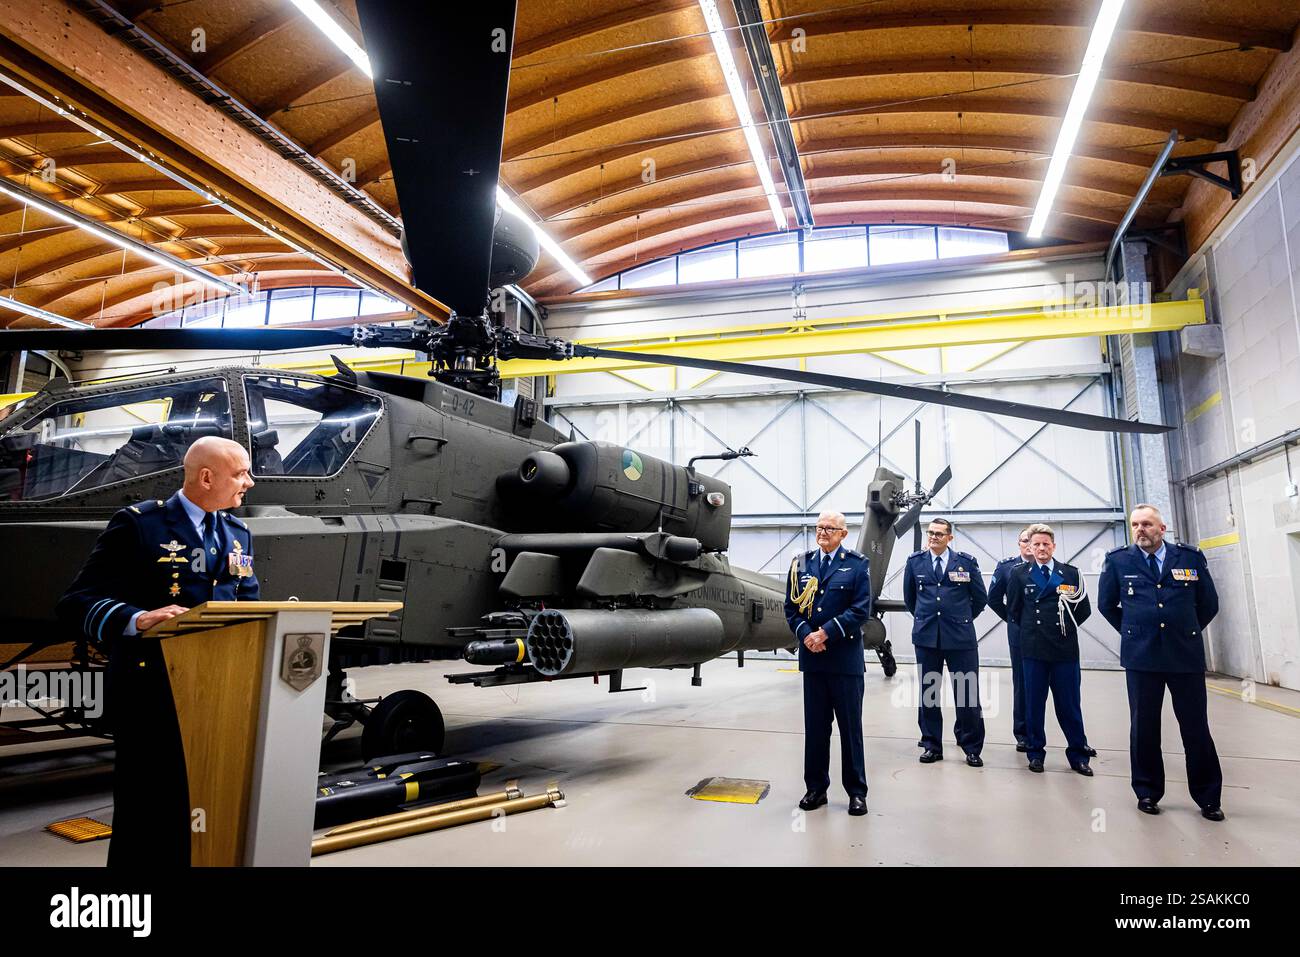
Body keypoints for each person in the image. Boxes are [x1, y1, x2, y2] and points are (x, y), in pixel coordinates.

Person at [58, 436, 260, 866]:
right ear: (207, 477)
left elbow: (250, 606)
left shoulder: (237, 533)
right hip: (150, 695)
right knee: (144, 817)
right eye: (241, 473)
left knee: (200, 815)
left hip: (219, 695)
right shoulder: (140, 525)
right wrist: (136, 619)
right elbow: (75, 602)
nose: (250, 481)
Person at [1098, 504, 1224, 821]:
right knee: (1144, 728)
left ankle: (1208, 797)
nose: (1140, 529)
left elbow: (1208, 603)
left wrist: (1187, 631)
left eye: (1147, 524)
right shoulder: (1117, 560)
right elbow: (1106, 605)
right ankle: (1148, 792)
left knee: (1195, 728)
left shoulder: (1190, 557)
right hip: (1141, 658)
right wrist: (1134, 632)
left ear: (1162, 528)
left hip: (1185, 655)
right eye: (1136, 525)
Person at [784, 510, 872, 816]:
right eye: (820, 527)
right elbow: (791, 609)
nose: (823, 532)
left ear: (843, 534)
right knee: (816, 729)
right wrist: (807, 634)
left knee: (850, 730)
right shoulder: (801, 563)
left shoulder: (858, 565)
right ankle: (816, 789)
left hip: (845, 661)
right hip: (814, 661)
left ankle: (856, 792)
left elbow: (861, 609)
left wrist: (826, 633)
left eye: (830, 528)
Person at [1005, 524, 1094, 775]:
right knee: (1034, 705)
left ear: (1053, 546)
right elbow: (1013, 610)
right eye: (1036, 544)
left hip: (1064, 649)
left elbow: (1083, 609)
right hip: (1033, 650)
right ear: (1030, 548)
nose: (1041, 548)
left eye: (1046, 544)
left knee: (1070, 705)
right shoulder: (1019, 574)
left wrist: (1063, 628)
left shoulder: (1071, 573)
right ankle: (1035, 753)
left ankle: (1078, 755)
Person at [902, 518, 988, 766]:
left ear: (950, 537)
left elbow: (979, 598)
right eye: (931, 533)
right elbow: (910, 598)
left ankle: (971, 746)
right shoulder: (915, 561)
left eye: (939, 534)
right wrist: (926, 619)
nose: (933, 537)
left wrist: (961, 619)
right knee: (929, 694)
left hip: (960, 638)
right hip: (927, 637)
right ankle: (931, 744)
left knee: (967, 693)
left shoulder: (966, 562)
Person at [987, 527, 1032, 751]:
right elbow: (993, 599)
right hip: (1020, 634)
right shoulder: (1006, 567)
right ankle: (1023, 734)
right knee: (1022, 684)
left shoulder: (1054, 568)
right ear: (1019, 544)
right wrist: (1012, 620)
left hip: (1049, 636)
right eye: (1024, 541)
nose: (1029, 545)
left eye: (1032, 540)